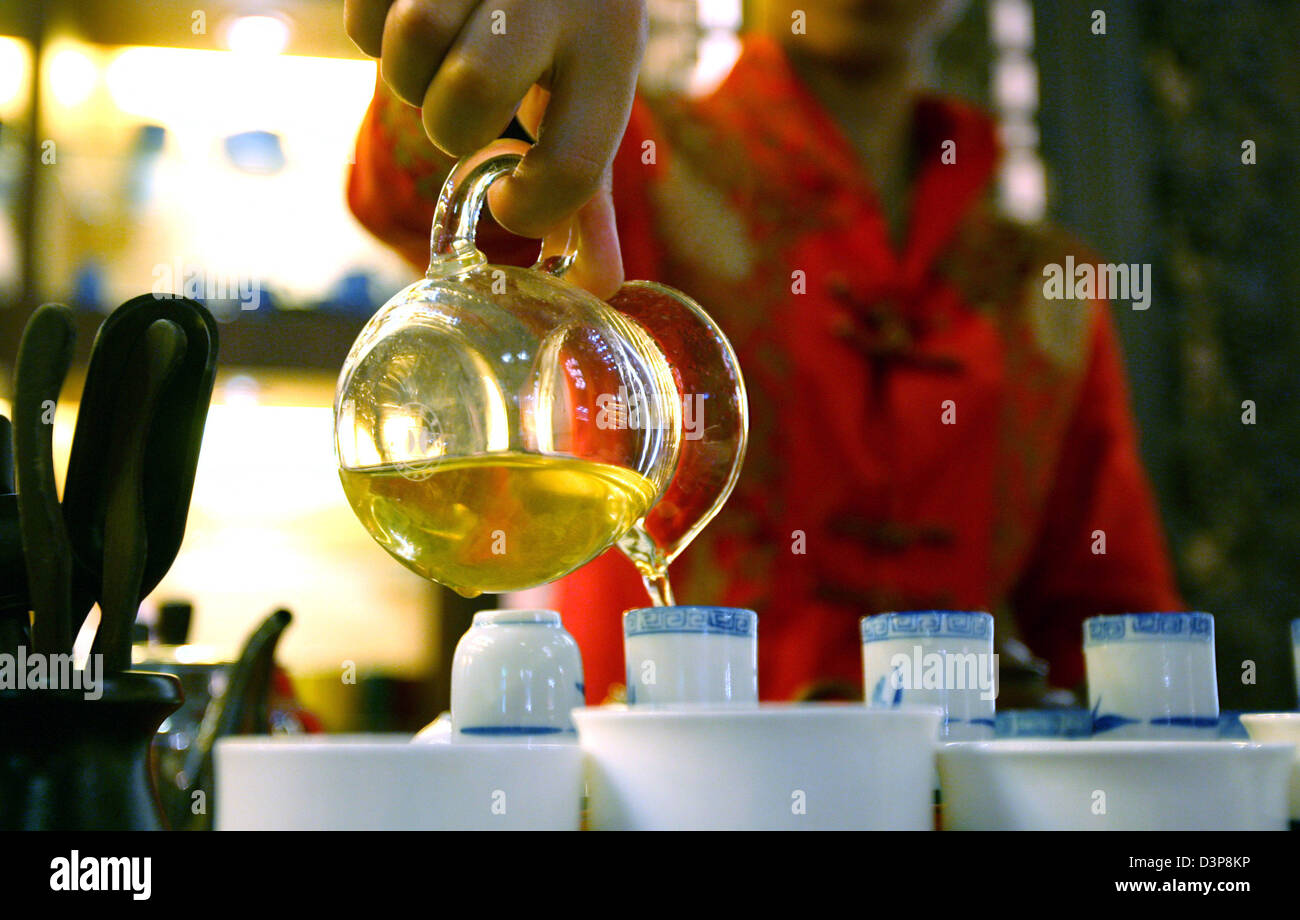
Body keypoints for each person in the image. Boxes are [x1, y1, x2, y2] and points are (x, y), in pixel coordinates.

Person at [343, 0, 1182, 703]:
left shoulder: (1044, 283)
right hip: (663, 798)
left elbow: (1108, 622)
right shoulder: (625, 153)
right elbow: (416, 187)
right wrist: (476, 44)